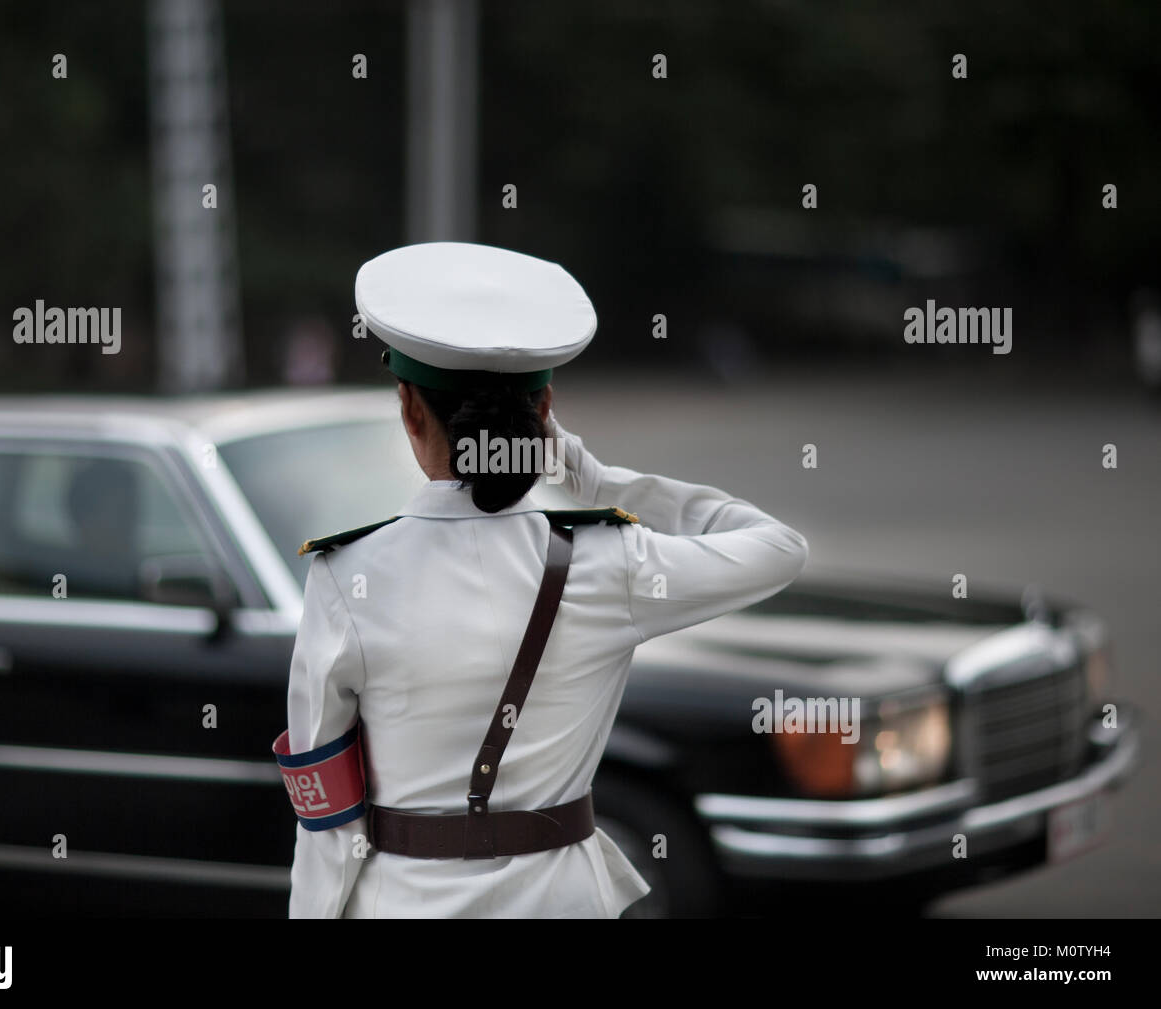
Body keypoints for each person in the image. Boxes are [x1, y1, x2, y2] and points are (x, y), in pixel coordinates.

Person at [274, 242, 808, 918]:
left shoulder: (345, 577)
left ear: (409, 409)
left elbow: (326, 820)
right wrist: (593, 474)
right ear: (545, 408)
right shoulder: (612, 561)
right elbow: (780, 547)